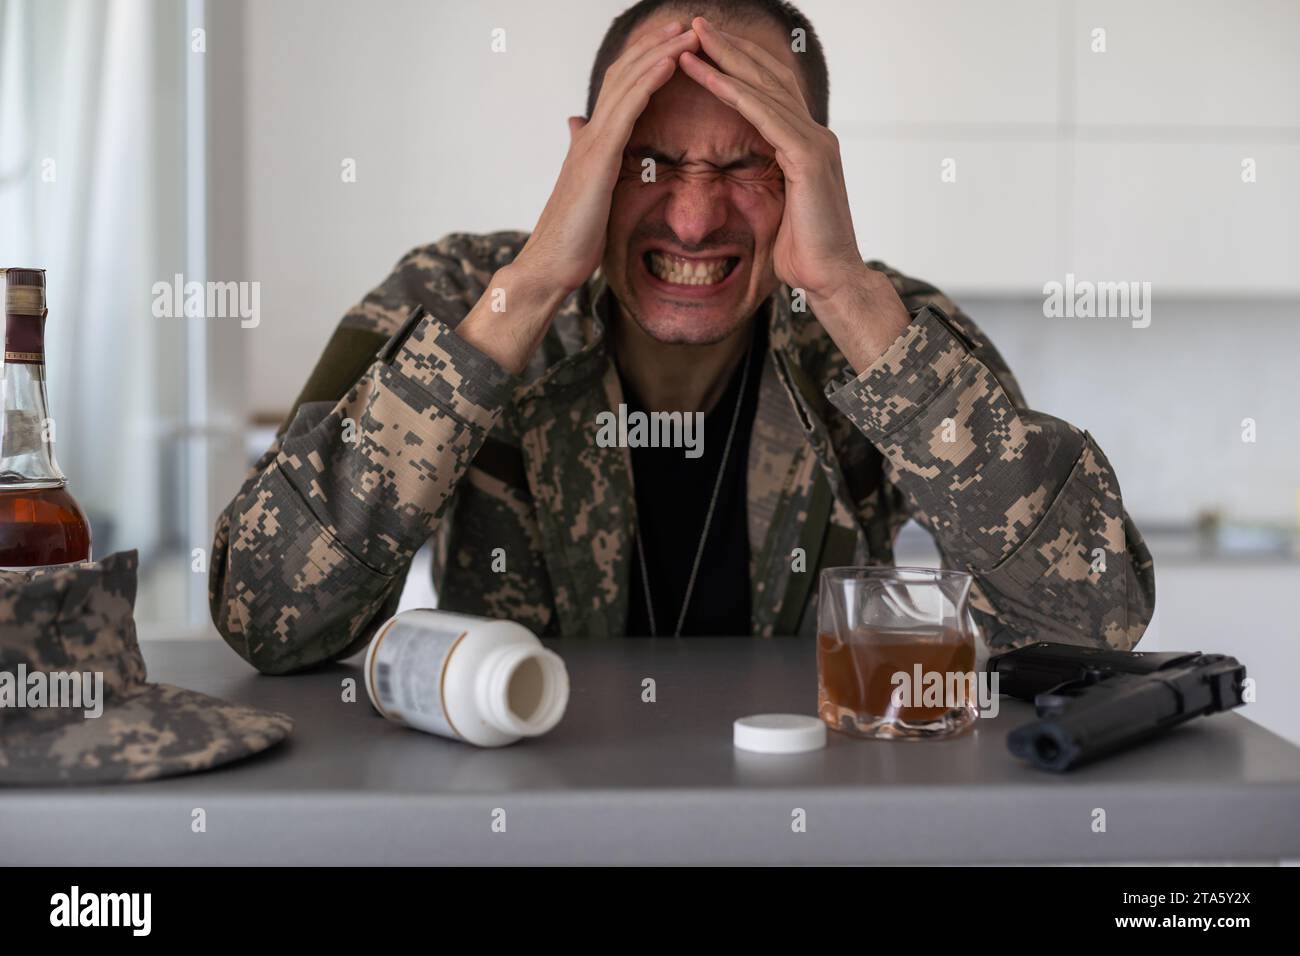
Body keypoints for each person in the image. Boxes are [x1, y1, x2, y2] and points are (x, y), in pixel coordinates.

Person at [210, 0, 1154, 674]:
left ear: (812, 172)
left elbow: (1089, 626)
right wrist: (530, 289)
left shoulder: (881, 333)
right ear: (588, 159)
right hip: (520, 822)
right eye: (646, 159)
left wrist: (847, 291)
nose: (695, 220)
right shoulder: (457, 297)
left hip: (792, 823)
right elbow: (267, 616)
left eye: (752, 163)